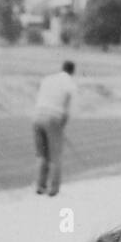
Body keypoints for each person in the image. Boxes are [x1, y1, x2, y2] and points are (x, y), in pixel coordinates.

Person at [32, 60, 76, 196]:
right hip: (53, 117)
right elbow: (67, 111)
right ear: (72, 71)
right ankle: (54, 189)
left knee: (41, 155)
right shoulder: (70, 84)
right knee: (55, 156)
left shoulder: (48, 79)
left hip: (37, 116)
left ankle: (40, 186)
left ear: (62, 68)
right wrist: (61, 126)